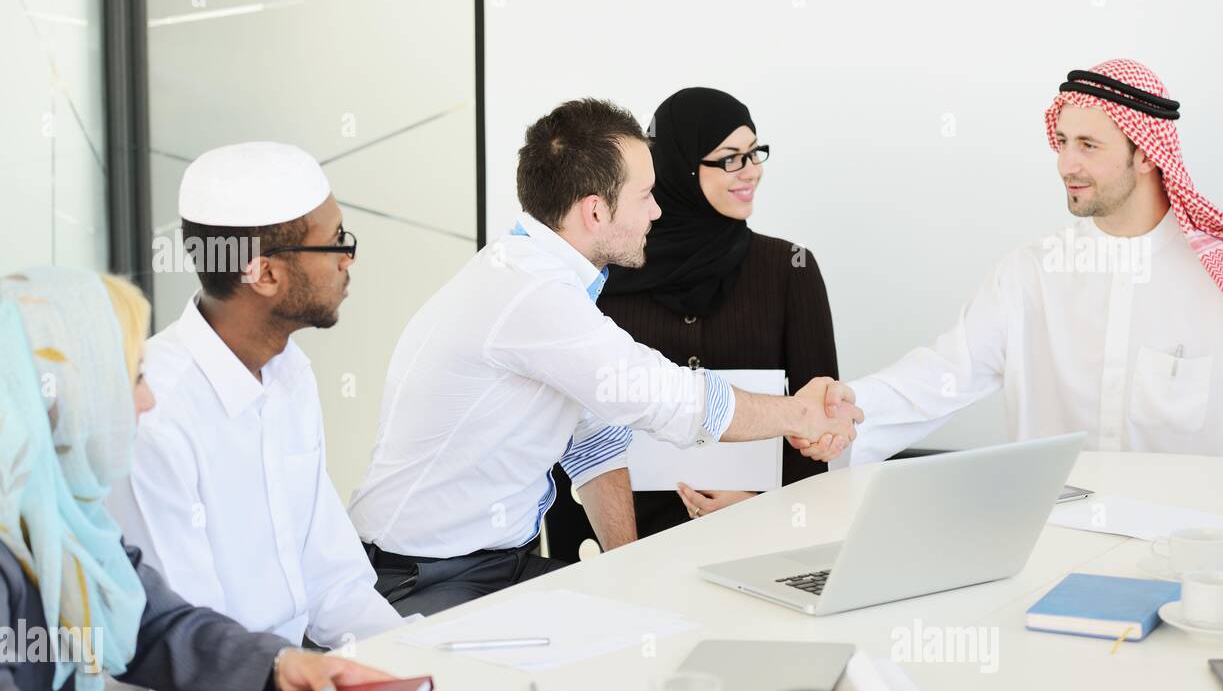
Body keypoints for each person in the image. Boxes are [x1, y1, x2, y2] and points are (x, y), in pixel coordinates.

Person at [348, 98, 860, 616]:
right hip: (424, 578)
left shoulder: (545, 277)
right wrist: (802, 411)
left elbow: (594, 439)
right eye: (645, 197)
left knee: (644, 625)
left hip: (493, 565)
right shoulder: (533, 294)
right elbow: (670, 399)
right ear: (595, 210)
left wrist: (627, 568)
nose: (657, 211)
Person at [0, 270, 395, 691]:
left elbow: (157, 626)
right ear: (71, 395)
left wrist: (276, 665)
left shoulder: (60, 514)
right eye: (132, 378)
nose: (147, 401)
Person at [796, 59, 1223, 465]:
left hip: (1204, 570)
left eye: (1088, 146)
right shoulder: (1032, 274)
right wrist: (847, 405)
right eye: (1062, 143)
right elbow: (945, 374)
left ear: (1146, 154)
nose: (1066, 164)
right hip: (1059, 551)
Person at [109, 142, 402, 648]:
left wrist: (419, 665)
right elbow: (188, 653)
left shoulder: (291, 373)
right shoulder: (154, 418)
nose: (348, 258)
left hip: (286, 679)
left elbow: (335, 585)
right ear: (264, 274)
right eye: (335, 242)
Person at [546, 87, 839, 552]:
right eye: (730, 159)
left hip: (758, 539)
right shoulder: (610, 273)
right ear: (681, 168)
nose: (752, 172)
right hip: (626, 543)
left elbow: (814, 412)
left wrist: (762, 505)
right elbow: (574, 421)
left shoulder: (789, 268)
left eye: (754, 153)